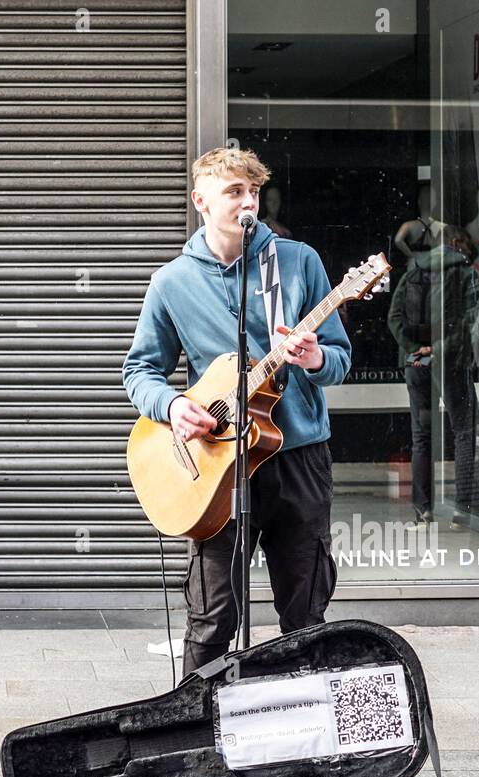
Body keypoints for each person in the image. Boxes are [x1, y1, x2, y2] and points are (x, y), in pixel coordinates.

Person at [122, 147, 352, 674]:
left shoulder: (299, 262)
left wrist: (315, 356)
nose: (247, 202)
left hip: (297, 458)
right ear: (200, 200)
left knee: (305, 612)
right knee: (211, 618)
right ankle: (193, 736)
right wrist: (175, 405)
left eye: (253, 191)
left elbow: (339, 359)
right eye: (234, 192)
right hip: (215, 468)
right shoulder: (172, 282)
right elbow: (139, 372)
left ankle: (306, 736)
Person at [387, 224, 479, 527]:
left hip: (416, 363)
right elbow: (471, 318)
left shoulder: (413, 272)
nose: (468, 250)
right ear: (454, 243)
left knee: (422, 437)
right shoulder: (465, 272)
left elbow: (394, 318)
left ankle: (423, 511)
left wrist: (417, 348)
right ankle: (462, 510)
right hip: (451, 361)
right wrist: (440, 348)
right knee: (463, 432)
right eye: (464, 244)